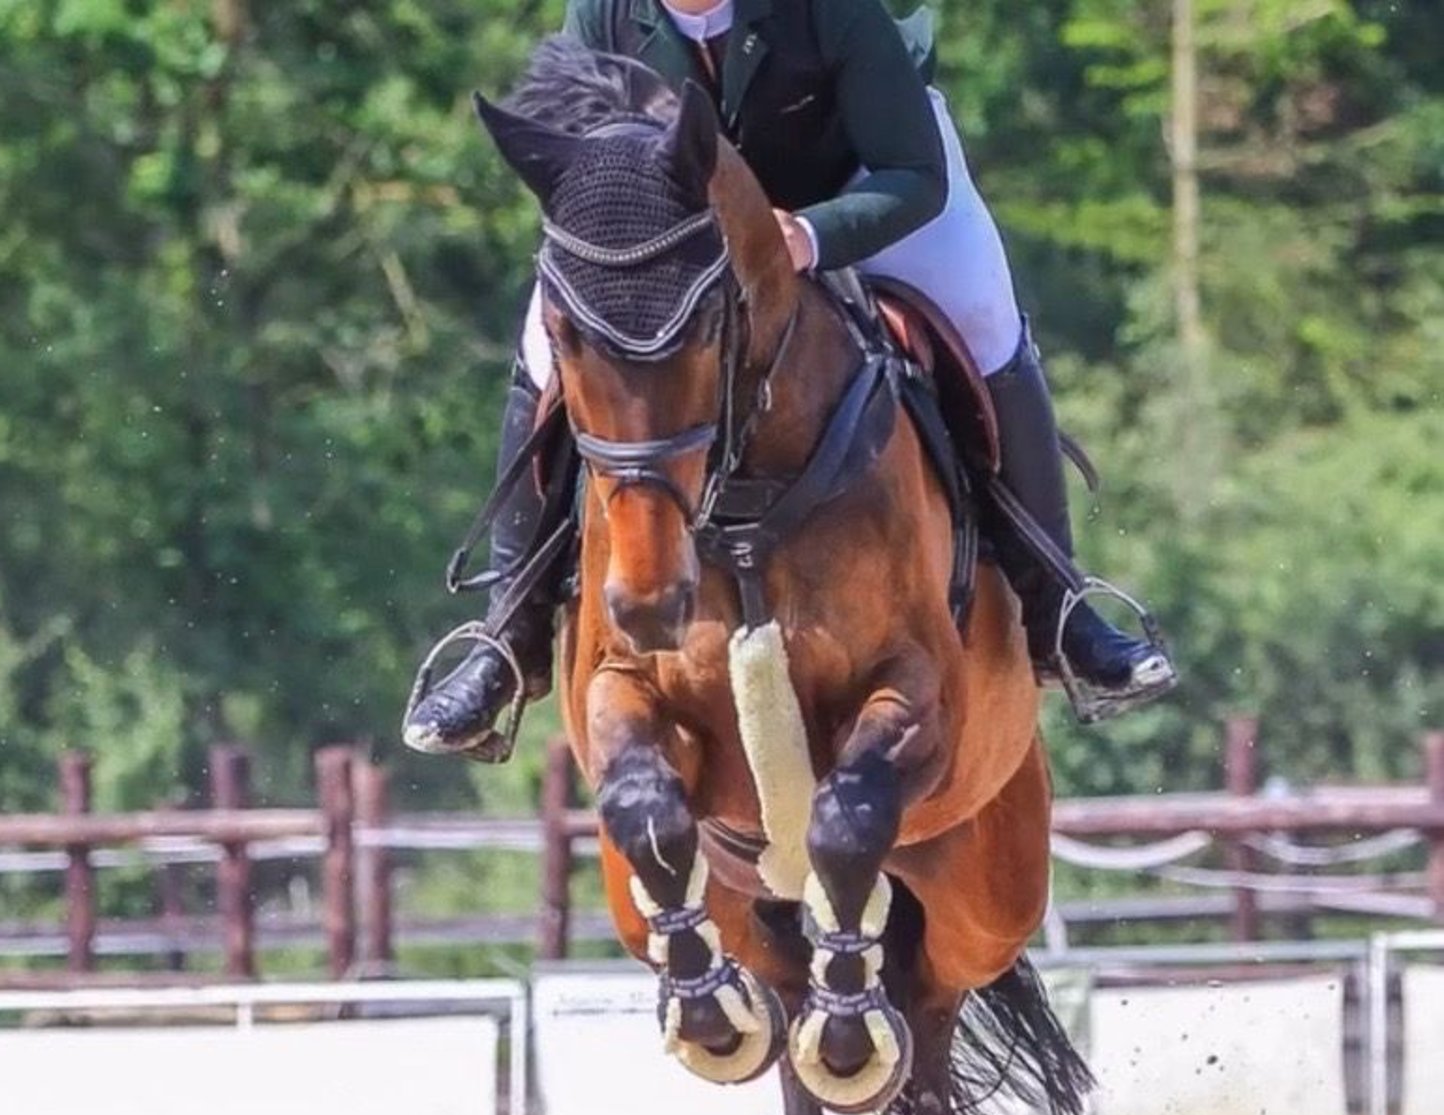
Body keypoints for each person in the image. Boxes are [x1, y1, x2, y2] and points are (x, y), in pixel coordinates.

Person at [404, 0, 1175, 761]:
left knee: (983, 315)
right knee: (548, 344)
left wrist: (809, 236)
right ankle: (509, 634)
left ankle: (1059, 609)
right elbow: (583, 171)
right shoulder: (605, 15)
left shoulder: (828, 10)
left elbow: (913, 173)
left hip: (860, 188)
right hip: (682, 232)